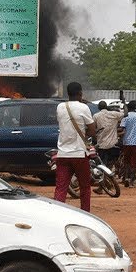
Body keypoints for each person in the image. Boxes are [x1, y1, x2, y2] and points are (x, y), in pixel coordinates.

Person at [54, 82, 97, 211]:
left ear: (68, 93)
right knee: (85, 187)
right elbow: (92, 130)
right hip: (79, 154)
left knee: (61, 188)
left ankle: (57, 213)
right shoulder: (83, 107)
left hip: (62, 154)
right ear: (80, 93)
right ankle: (85, 214)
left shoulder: (60, 107)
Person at [118, 106, 136, 187]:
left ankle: (126, 177)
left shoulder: (125, 117)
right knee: (134, 162)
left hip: (126, 142)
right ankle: (131, 181)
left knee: (126, 162)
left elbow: (122, 128)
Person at [93, 102, 123, 169]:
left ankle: (104, 176)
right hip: (113, 144)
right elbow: (125, 114)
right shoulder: (114, 114)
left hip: (101, 144)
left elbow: (93, 129)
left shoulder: (96, 116)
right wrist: (124, 102)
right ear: (106, 106)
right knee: (111, 163)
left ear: (98, 108)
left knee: (102, 163)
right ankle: (109, 175)